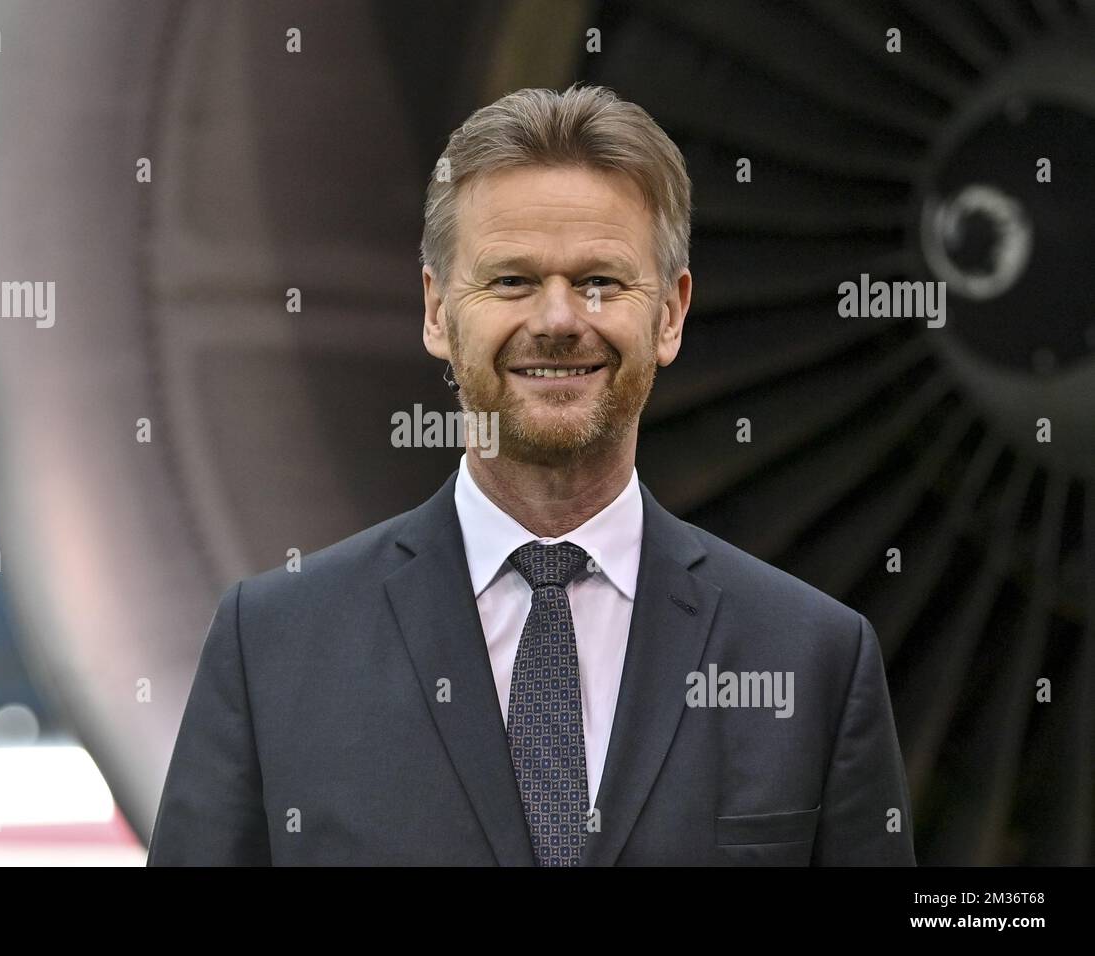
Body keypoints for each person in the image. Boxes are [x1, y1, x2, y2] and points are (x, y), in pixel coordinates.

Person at [147, 83, 916, 866]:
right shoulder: (274, 648)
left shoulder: (813, 658)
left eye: (602, 283)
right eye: (511, 280)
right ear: (437, 312)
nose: (557, 321)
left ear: (672, 315)